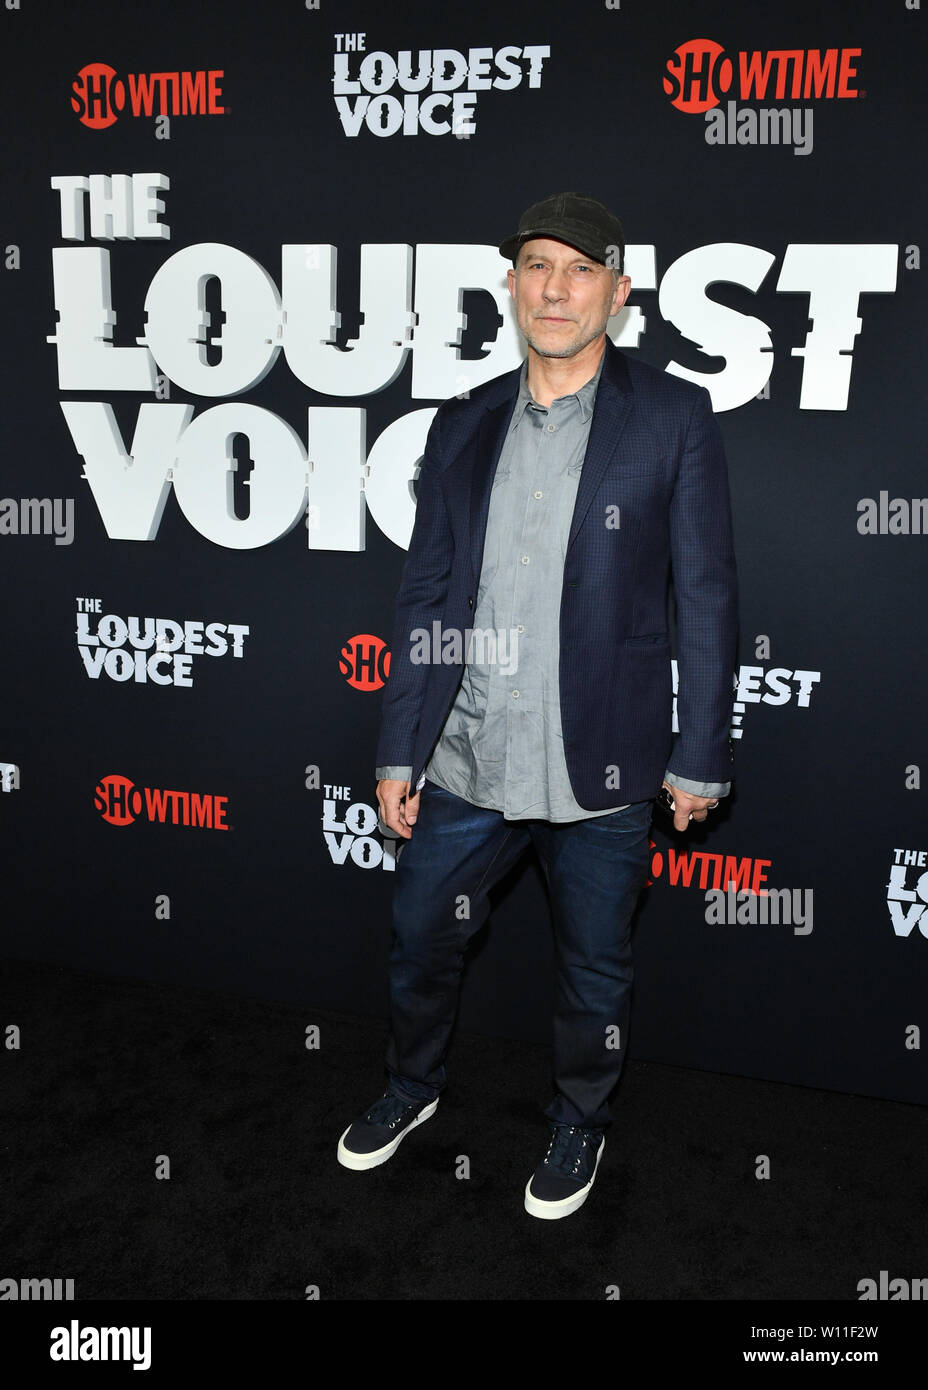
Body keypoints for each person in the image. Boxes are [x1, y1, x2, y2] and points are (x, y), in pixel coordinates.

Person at [336, 191, 738, 1219]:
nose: (555, 289)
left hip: (603, 760)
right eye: (536, 266)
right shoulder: (463, 420)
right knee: (421, 939)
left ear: (618, 289)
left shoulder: (673, 415)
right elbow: (428, 590)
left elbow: (703, 593)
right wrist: (399, 749)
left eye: (580, 268)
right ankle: (411, 1086)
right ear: (512, 284)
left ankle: (577, 1123)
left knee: (594, 968)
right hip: (467, 752)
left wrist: (697, 756)